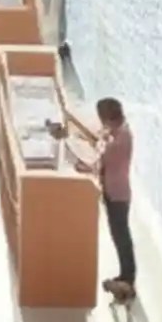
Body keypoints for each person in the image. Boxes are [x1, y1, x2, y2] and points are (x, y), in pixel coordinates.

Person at [61, 97, 136, 301]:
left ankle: (128, 279)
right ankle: (125, 275)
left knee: (122, 237)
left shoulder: (120, 140)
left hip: (117, 193)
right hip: (114, 191)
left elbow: (102, 160)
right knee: (118, 235)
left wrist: (84, 164)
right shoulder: (117, 133)